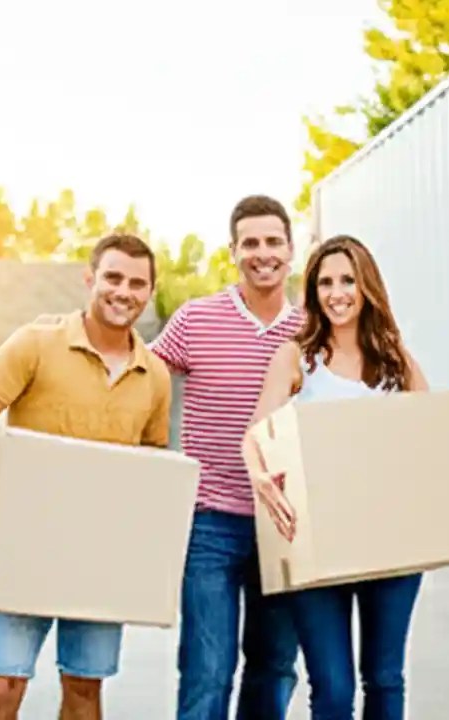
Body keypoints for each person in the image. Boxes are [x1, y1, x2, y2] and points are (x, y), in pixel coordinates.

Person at [0, 233, 171, 720]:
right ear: (89, 279)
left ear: (150, 291)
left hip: (98, 556)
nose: (123, 291)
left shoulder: (155, 375)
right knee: (1, 687)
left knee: (84, 690)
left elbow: (149, 473)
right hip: (23, 545)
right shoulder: (36, 344)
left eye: (136, 283)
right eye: (112, 277)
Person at [242, 234, 429, 720]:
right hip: (316, 544)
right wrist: (260, 475)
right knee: (333, 688)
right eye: (325, 282)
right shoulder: (297, 358)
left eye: (347, 279)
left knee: (385, 679)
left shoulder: (395, 360)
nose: (336, 292)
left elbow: (434, 436)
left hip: (393, 544)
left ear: (367, 285)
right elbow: (255, 435)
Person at [148, 194, 303, 720]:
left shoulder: (311, 331)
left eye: (273, 242)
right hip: (210, 522)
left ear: (291, 248)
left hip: (284, 525)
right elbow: (141, 383)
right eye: (251, 243)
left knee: (275, 665)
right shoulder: (195, 319)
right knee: (207, 670)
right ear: (233, 252)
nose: (263, 253)